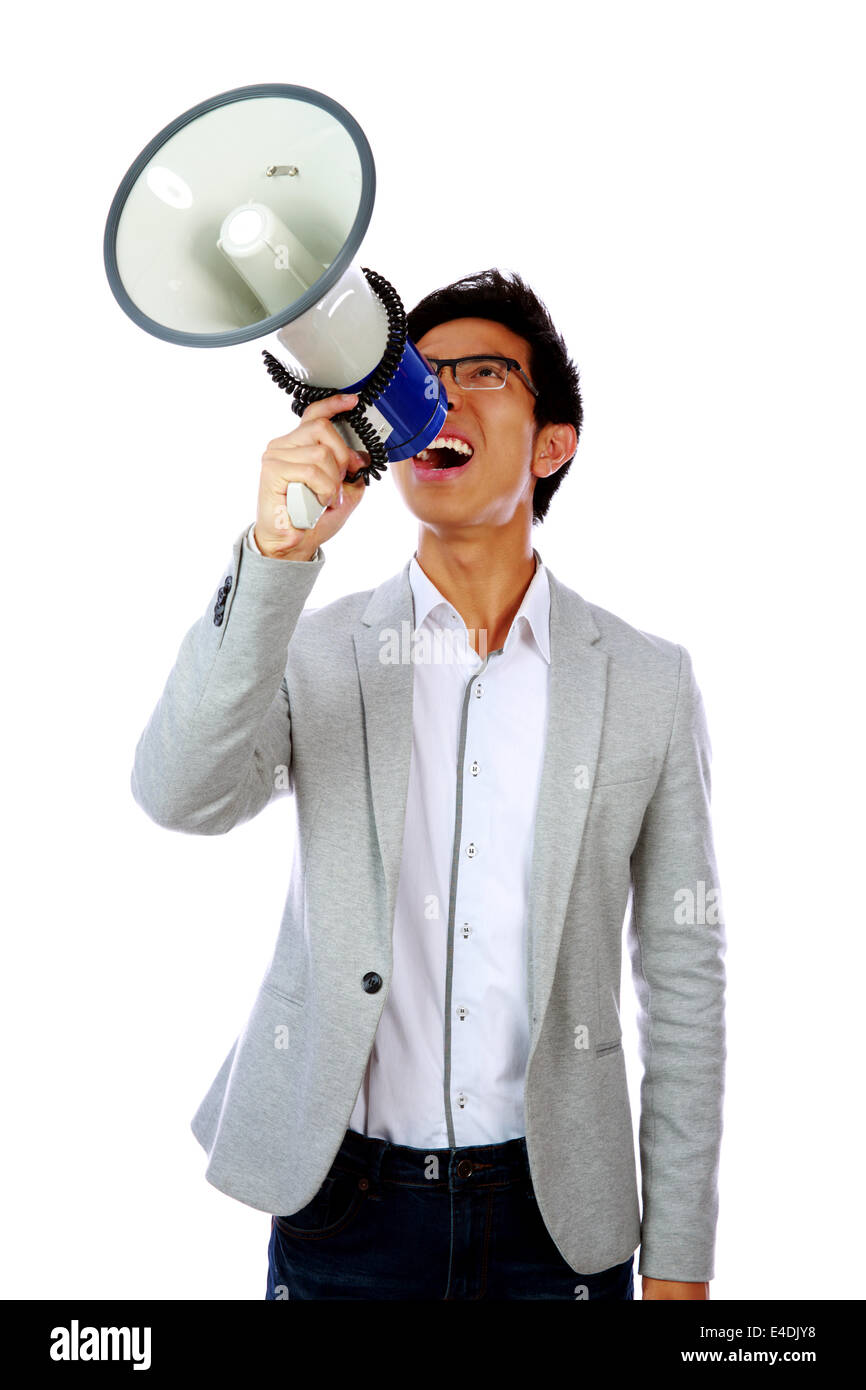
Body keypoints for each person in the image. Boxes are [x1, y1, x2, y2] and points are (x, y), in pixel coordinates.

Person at [131, 268, 726, 1301]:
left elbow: (681, 974)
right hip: (345, 1205)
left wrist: (678, 1260)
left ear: (551, 445)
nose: (443, 395)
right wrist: (275, 554)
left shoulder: (645, 680)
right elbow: (178, 791)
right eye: (423, 373)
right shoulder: (317, 649)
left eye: (484, 373)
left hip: (559, 1222)